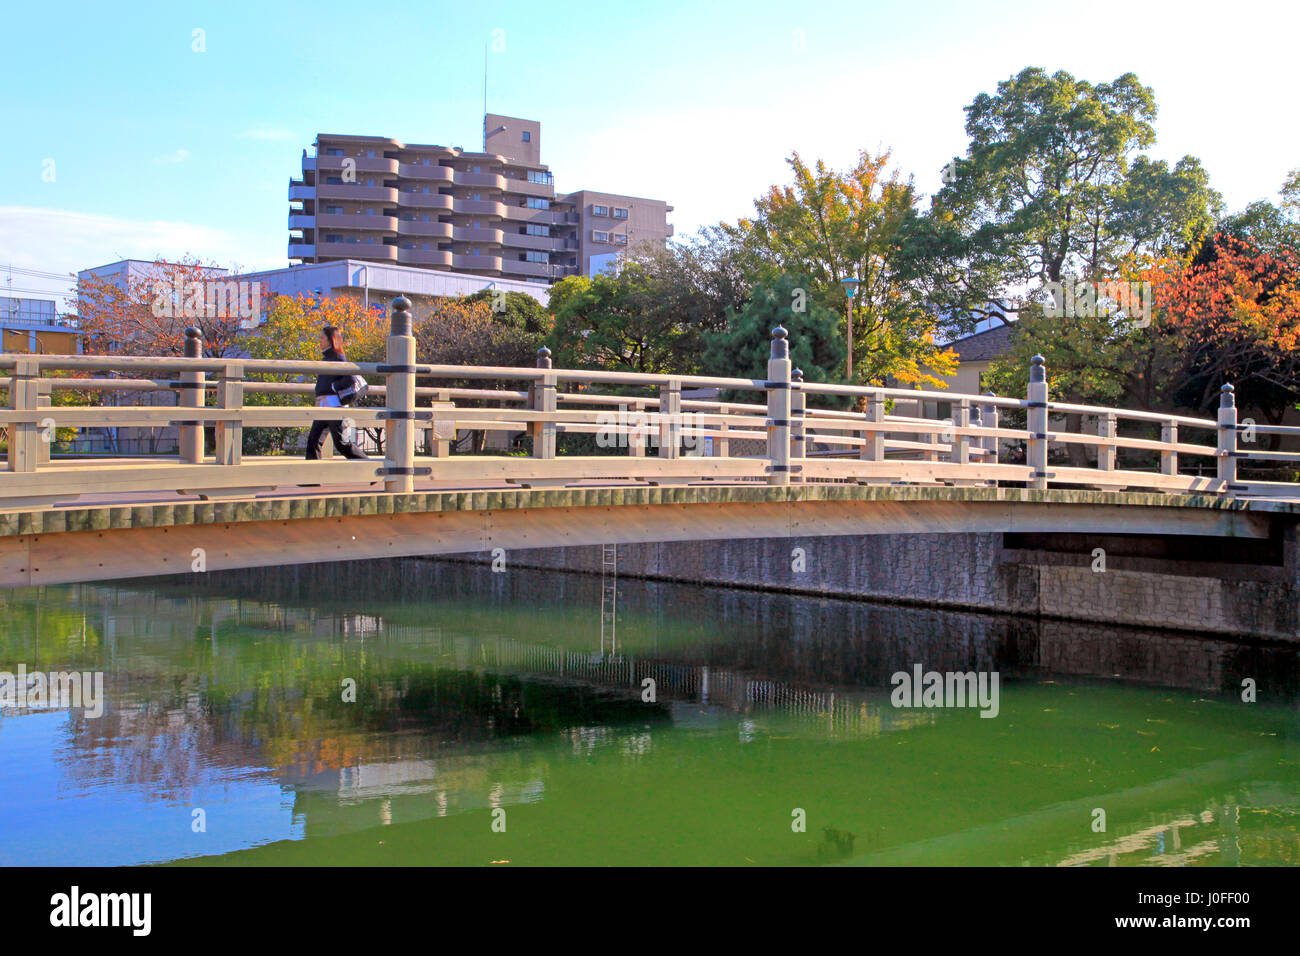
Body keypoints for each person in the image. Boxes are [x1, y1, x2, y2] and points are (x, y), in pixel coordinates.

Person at [305, 326, 369, 460]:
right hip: (323, 406)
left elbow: (350, 379)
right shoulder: (327, 358)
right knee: (313, 441)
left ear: (331, 340)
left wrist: (334, 387)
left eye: (322, 337)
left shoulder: (338, 357)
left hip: (335, 406)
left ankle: (369, 468)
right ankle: (311, 478)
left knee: (342, 445)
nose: (319, 340)